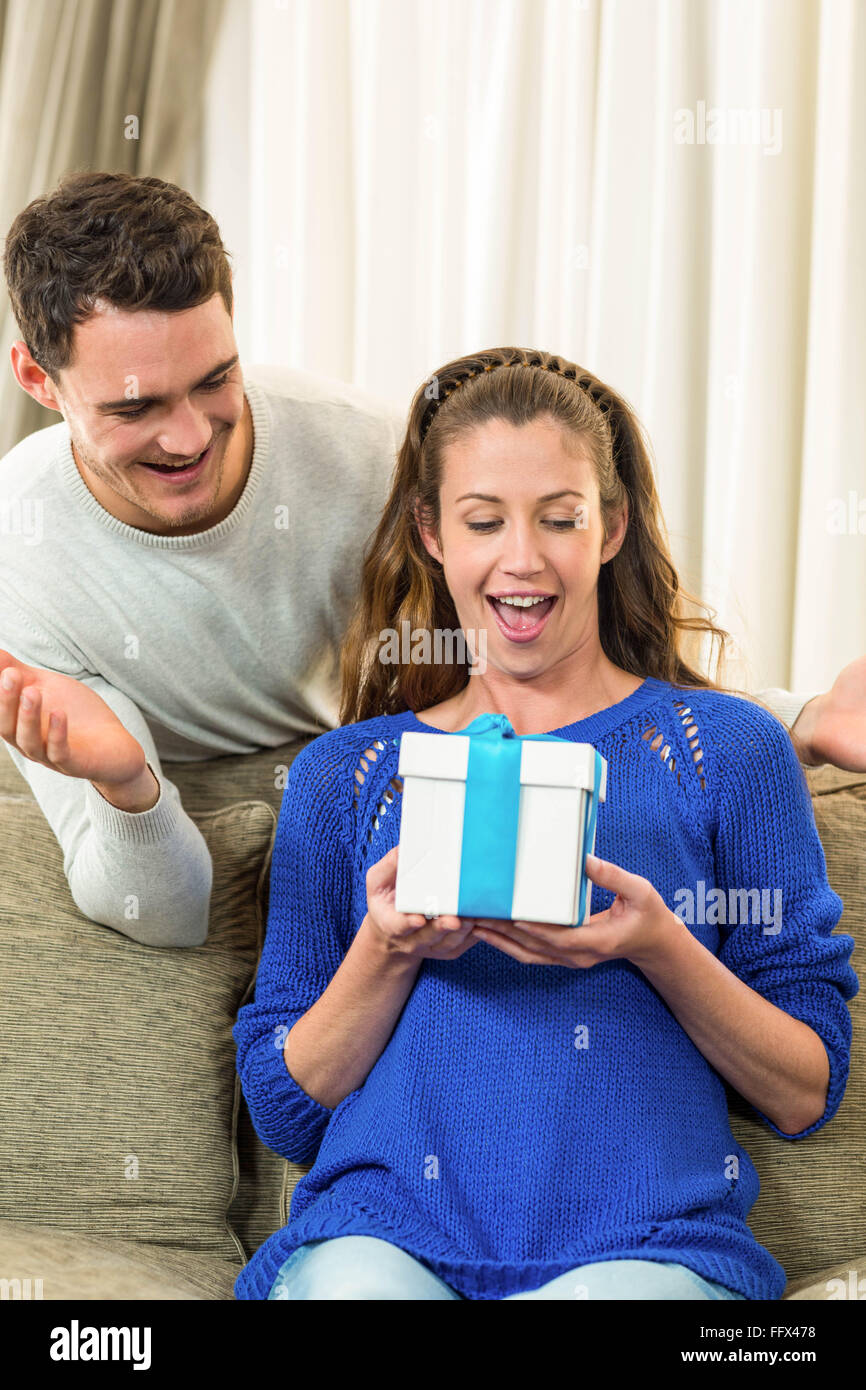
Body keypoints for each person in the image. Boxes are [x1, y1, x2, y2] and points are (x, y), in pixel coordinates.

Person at [232, 346, 858, 1301]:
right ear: (431, 531)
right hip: (385, 1236)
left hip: (645, 1249)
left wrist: (657, 945)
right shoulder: (345, 776)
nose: (522, 559)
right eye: (484, 521)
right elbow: (284, 1108)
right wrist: (387, 950)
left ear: (610, 528)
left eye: (560, 519)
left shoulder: (725, 751)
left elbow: (807, 1091)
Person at [0, 171, 403, 945]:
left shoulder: (376, 452)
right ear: (37, 380)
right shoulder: (23, 556)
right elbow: (167, 920)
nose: (188, 439)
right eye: (134, 407)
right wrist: (125, 784)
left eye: (216, 380)